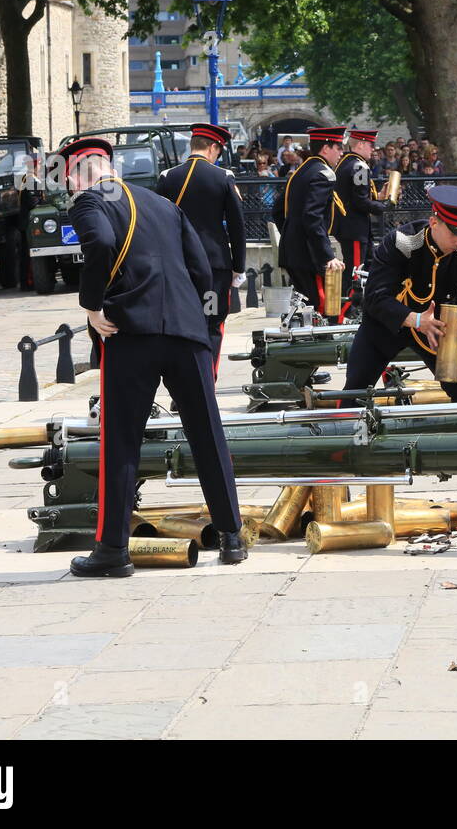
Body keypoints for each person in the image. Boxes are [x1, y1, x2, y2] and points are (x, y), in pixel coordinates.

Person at [62, 137, 247, 577]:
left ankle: (112, 549)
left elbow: (102, 244)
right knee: (207, 433)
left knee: (121, 439)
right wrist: (199, 322)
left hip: (133, 333)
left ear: (76, 174)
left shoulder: (90, 201)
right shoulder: (161, 204)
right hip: (187, 331)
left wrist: (92, 304)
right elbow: (201, 268)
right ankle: (232, 536)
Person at [343, 185, 457, 505]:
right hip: (386, 324)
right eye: (456, 232)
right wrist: (415, 319)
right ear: (435, 223)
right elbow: (374, 298)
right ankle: (347, 468)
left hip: (441, 331)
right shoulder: (401, 242)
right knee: (355, 389)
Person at [155, 122, 247, 378]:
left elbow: (156, 222)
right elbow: (238, 227)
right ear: (214, 147)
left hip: (179, 266)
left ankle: (183, 382)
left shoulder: (168, 177)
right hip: (214, 268)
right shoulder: (223, 177)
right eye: (218, 151)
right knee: (212, 323)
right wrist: (238, 267)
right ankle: (205, 380)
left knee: (183, 324)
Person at [272, 125, 345, 317]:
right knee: (324, 309)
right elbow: (313, 218)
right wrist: (327, 255)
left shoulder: (301, 171)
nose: (341, 152)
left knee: (307, 311)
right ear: (326, 148)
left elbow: (278, 210)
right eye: (338, 147)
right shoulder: (324, 173)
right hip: (309, 255)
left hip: (293, 252)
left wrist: (291, 235)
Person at [335, 128, 388, 316]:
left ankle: (360, 307)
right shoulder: (359, 166)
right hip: (355, 228)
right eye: (371, 145)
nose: (373, 149)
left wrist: (377, 198)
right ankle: (344, 312)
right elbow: (359, 201)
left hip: (351, 227)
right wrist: (383, 206)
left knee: (364, 267)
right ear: (360, 144)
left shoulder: (346, 162)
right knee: (355, 272)